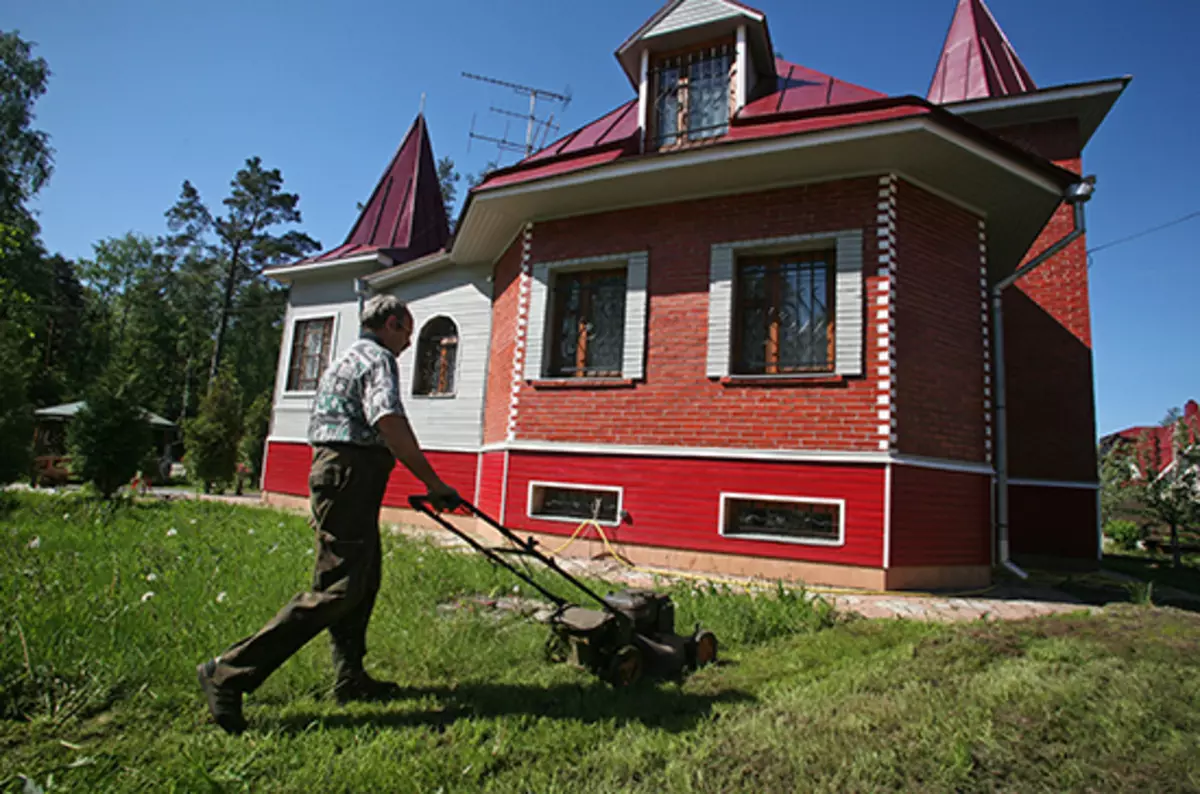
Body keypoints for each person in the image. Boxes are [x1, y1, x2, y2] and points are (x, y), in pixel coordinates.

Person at [196, 294, 462, 734]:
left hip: (337, 475)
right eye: (408, 333)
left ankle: (350, 677)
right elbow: (389, 420)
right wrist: (433, 484)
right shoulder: (378, 359)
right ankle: (228, 673)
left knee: (362, 580)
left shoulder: (344, 360)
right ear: (392, 323)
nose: (408, 344)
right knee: (341, 588)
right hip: (350, 475)